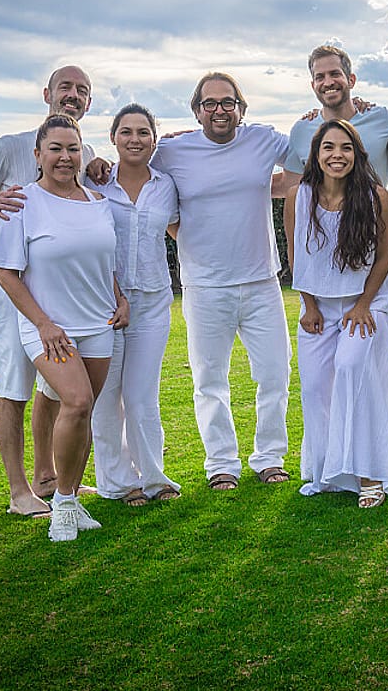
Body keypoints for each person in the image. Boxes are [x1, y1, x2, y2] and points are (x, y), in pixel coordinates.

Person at [0, 65, 95, 517]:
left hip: (62, 294)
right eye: (65, 88)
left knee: (54, 392)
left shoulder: (85, 151)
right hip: (14, 290)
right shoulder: (9, 147)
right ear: (47, 94)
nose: (72, 95)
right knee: (14, 388)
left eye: (81, 91)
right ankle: (18, 491)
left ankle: (47, 478)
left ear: (88, 102)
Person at [149, 72, 293, 491]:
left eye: (227, 102)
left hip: (262, 281)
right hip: (205, 287)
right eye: (209, 104)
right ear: (197, 111)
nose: (219, 111)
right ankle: (221, 464)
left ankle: (269, 457)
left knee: (274, 373)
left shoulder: (263, 139)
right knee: (210, 379)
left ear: (241, 109)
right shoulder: (173, 151)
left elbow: (311, 156)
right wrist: (188, 236)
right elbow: (141, 181)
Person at [0, 114, 129, 541]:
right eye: (55, 149)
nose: (65, 157)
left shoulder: (98, 203)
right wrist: (44, 323)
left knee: (81, 410)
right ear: (38, 155)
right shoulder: (20, 204)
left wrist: (120, 297)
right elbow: (7, 274)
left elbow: (102, 262)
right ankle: (64, 507)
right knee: (76, 401)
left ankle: (66, 492)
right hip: (49, 327)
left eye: (72, 148)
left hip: (98, 323)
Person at [283, 45, 388, 467]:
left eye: (334, 74)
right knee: (324, 381)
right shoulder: (302, 132)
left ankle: (387, 455)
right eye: (319, 76)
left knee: (376, 370)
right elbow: (297, 234)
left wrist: (364, 302)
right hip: (323, 289)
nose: (327, 82)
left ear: (350, 79)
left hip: (371, 283)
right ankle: (332, 464)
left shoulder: (383, 120)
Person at [88, 104, 182, 506]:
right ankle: (117, 483)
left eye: (143, 132)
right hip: (103, 302)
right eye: (126, 132)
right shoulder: (95, 185)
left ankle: (154, 478)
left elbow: (178, 229)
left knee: (142, 395)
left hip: (153, 300)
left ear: (154, 140)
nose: (134, 139)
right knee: (107, 397)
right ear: (113, 138)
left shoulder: (166, 185)